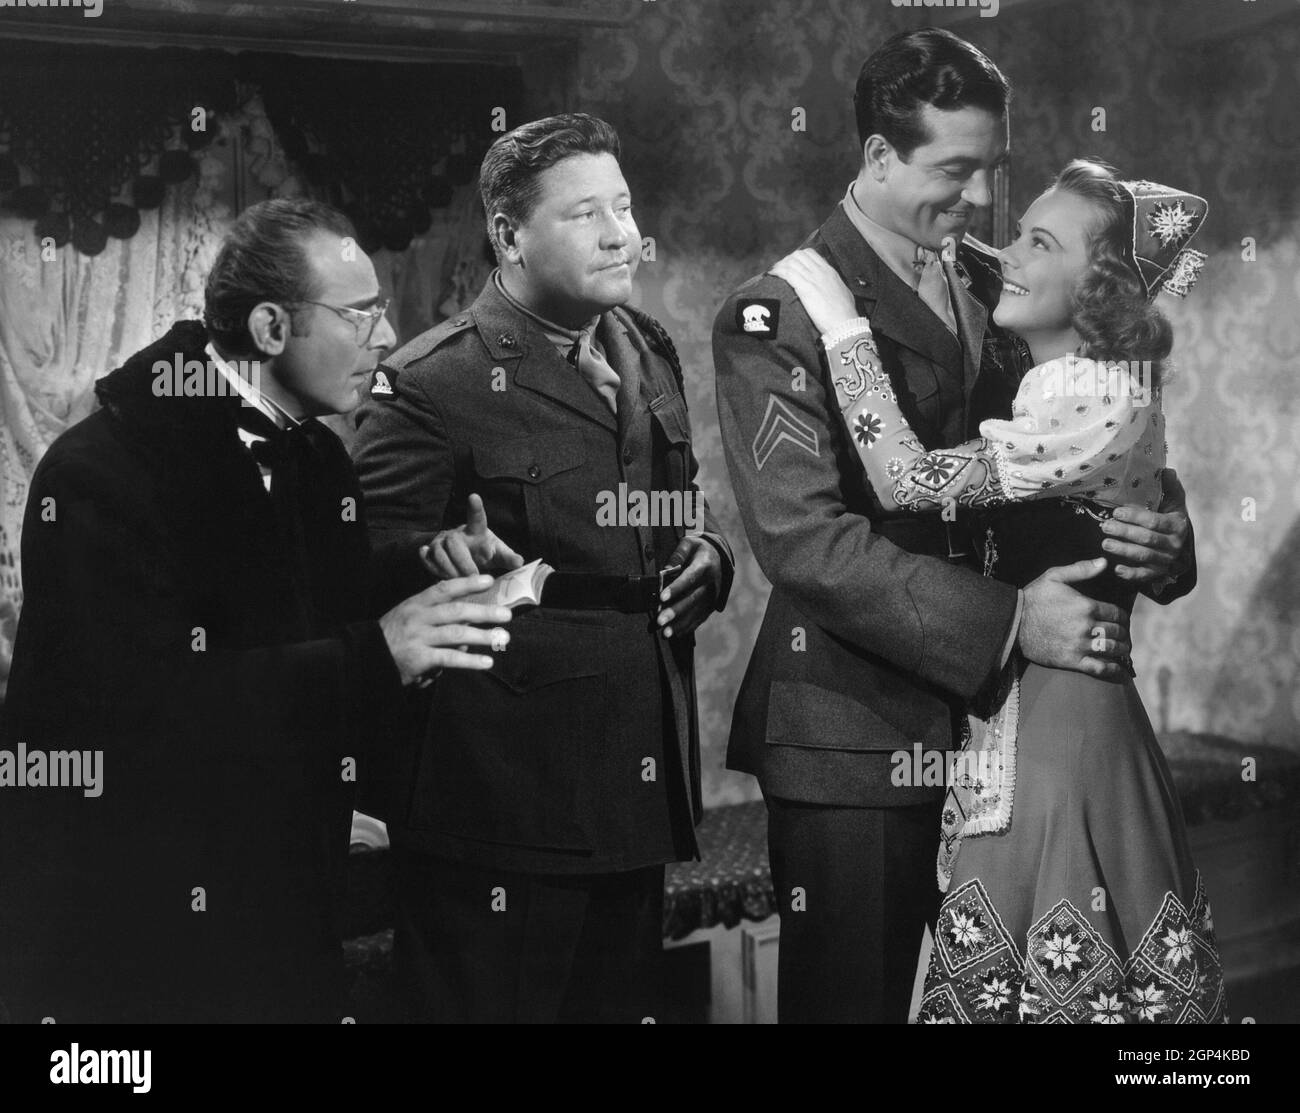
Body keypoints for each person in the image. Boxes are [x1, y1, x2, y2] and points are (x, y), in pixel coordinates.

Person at [712, 29, 1196, 1024]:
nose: (978, 200)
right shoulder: (777, 310)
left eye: (989, 168)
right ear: (879, 156)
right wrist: (1013, 621)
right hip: (858, 738)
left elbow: (1105, 424)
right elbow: (809, 545)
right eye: (951, 169)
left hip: (1021, 737)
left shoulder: (1000, 278)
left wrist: (1164, 532)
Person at [0, 198, 514, 1024]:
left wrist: (421, 562)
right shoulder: (101, 474)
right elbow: (148, 709)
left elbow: (288, 596)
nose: (387, 339)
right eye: (361, 314)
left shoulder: (314, 458)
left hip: (281, 901)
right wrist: (375, 654)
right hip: (138, 923)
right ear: (272, 327)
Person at [351, 113, 734, 1024]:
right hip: (502, 807)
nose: (621, 234)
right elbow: (355, 566)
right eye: (584, 215)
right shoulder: (434, 381)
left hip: (635, 784)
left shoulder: (645, 345)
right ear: (509, 236)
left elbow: (674, 494)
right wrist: (426, 558)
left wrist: (710, 552)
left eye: (626, 207)